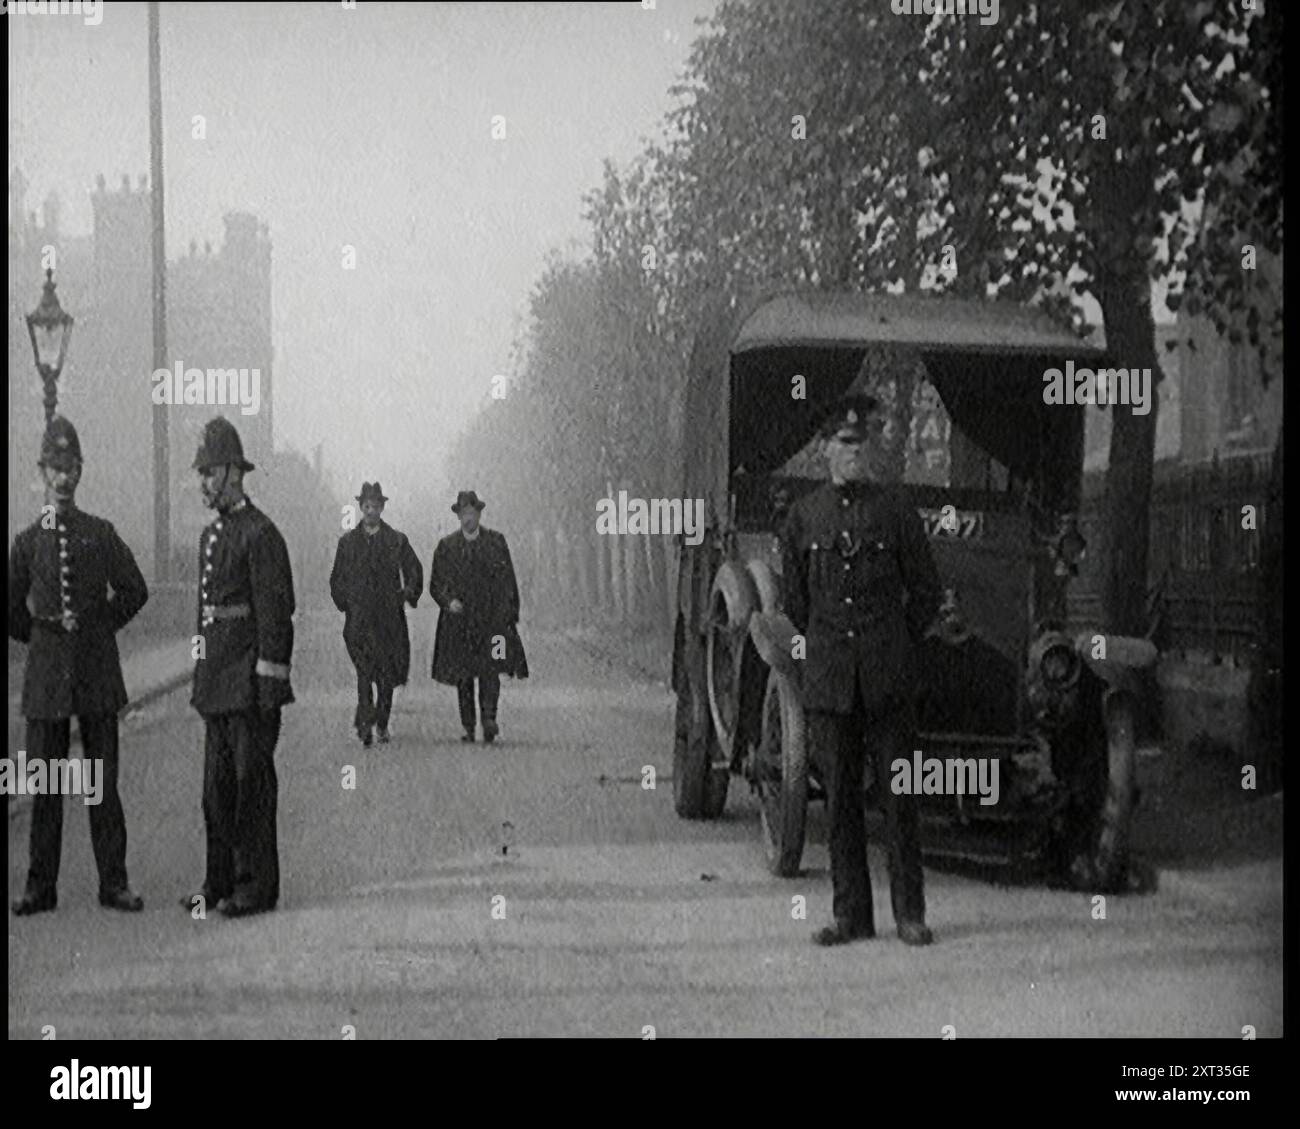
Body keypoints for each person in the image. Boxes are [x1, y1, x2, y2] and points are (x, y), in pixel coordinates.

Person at [781, 394, 942, 947]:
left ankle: (910, 915)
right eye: (845, 444)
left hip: (887, 680)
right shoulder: (803, 517)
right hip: (831, 684)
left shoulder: (896, 512)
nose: (855, 453)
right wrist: (828, 648)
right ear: (826, 450)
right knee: (842, 803)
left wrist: (894, 644)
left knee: (900, 801)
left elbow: (925, 592)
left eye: (862, 444)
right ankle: (850, 915)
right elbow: (797, 604)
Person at [9, 416, 149, 916]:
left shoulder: (100, 533)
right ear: (41, 473)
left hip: (96, 672)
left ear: (81, 471)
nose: (63, 479)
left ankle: (114, 883)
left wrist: (97, 627)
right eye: (54, 469)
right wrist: (45, 637)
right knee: (45, 786)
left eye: (70, 468)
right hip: (46, 678)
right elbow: (10, 612)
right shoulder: (25, 543)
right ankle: (39, 888)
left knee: (102, 784)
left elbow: (135, 590)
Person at [181, 417, 295, 918]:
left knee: (252, 787)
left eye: (210, 473)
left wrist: (270, 684)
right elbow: (204, 618)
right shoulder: (212, 536)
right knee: (216, 792)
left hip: (250, 682)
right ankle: (217, 880)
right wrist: (200, 676)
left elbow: (276, 613)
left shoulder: (261, 533)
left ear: (233, 472)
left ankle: (256, 887)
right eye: (201, 474)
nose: (204, 483)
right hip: (218, 684)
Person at [429, 490, 528, 743]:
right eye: (464, 514)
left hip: (493, 621)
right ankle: (468, 725)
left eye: (472, 513)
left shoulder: (496, 543)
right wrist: (448, 601)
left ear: (479, 514)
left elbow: (508, 581)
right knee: (463, 675)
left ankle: (489, 719)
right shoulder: (447, 547)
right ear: (458, 516)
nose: (468, 519)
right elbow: (436, 584)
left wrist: (509, 612)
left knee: (491, 670)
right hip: (460, 623)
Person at [329, 482, 423, 746]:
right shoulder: (347, 543)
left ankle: (381, 722)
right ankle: (364, 724)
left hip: (388, 619)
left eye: (375, 506)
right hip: (358, 619)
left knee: (385, 675)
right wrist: (345, 602)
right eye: (366, 506)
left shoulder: (396, 540)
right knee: (363, 671)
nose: (371, 511)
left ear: (382, 508)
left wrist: (407, 593)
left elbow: (414, 570)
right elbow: (337, 578)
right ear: (361, 508)